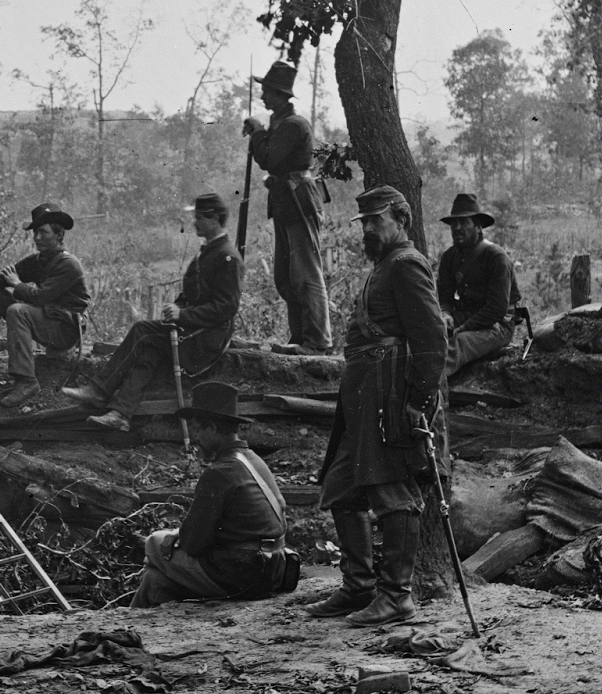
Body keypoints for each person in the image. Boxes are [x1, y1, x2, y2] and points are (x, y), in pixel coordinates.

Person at [307, 185, 447, 626]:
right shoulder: (382, 266)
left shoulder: (406, 265)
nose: (367, 228)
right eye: (363, 221)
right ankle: (359, 586)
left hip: (391, 396)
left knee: (392, 491)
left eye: (376, 220)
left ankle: (396, 596)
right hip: (364, 395)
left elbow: (432, 340)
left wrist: (416, 402)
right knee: (342, 484)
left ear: (401, 220)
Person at [62, 192, 242, 433]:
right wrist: (177, 307)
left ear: (215, 219)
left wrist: (184, 316)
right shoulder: (209, 251)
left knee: (142, 331)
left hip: (206, 340)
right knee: (149, 350)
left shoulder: (227, 256)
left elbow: (227, 307)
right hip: (195, 330)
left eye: (200, 217)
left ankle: (99, 390)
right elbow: (192, 294)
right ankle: (120, 413)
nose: (195, 222)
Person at [131, 380, 293, 605]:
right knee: (155, 580)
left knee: (154, 543)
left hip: (241, 574)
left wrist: (178, 534)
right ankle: (142, 614)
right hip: (274, 568)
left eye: (199, 429)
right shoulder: (255, 461)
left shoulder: (220, 472)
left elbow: (194, 544)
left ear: (213, 428)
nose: (197, 438)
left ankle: (128, 624)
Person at [0, 203, 90, 407]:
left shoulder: (68, 265)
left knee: (17, 311)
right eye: (35, 232)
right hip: (47, 318)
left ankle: (26, 381)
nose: (37, 238)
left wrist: (17, 285)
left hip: (66, 329)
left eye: (43, 232)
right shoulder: (38, 260)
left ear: (59, 235)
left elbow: (39, 297)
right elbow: (1, 276)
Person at [243, 59, 331, 353]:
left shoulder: (294, 125)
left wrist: (257, 133)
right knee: (285, 275)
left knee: (306, 272)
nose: (262, 96)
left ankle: (318, 341)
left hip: (299, 200)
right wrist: (260, 132)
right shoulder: (280, 123)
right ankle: (300, 337)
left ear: (280, 94)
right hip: (285, 201)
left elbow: (269, 159)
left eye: (267, 90)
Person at [436, 192, 521, 373]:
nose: (457, 228)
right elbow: (444, 296)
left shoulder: (496, 257)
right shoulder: (450, 257)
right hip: (466, 316)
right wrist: (446, 314)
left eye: (464, 223)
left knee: (458, 343)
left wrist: (462, 328)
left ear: (478, 226)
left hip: (497, 325)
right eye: (454, 224)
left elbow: (497, 309)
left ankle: (429, 392)